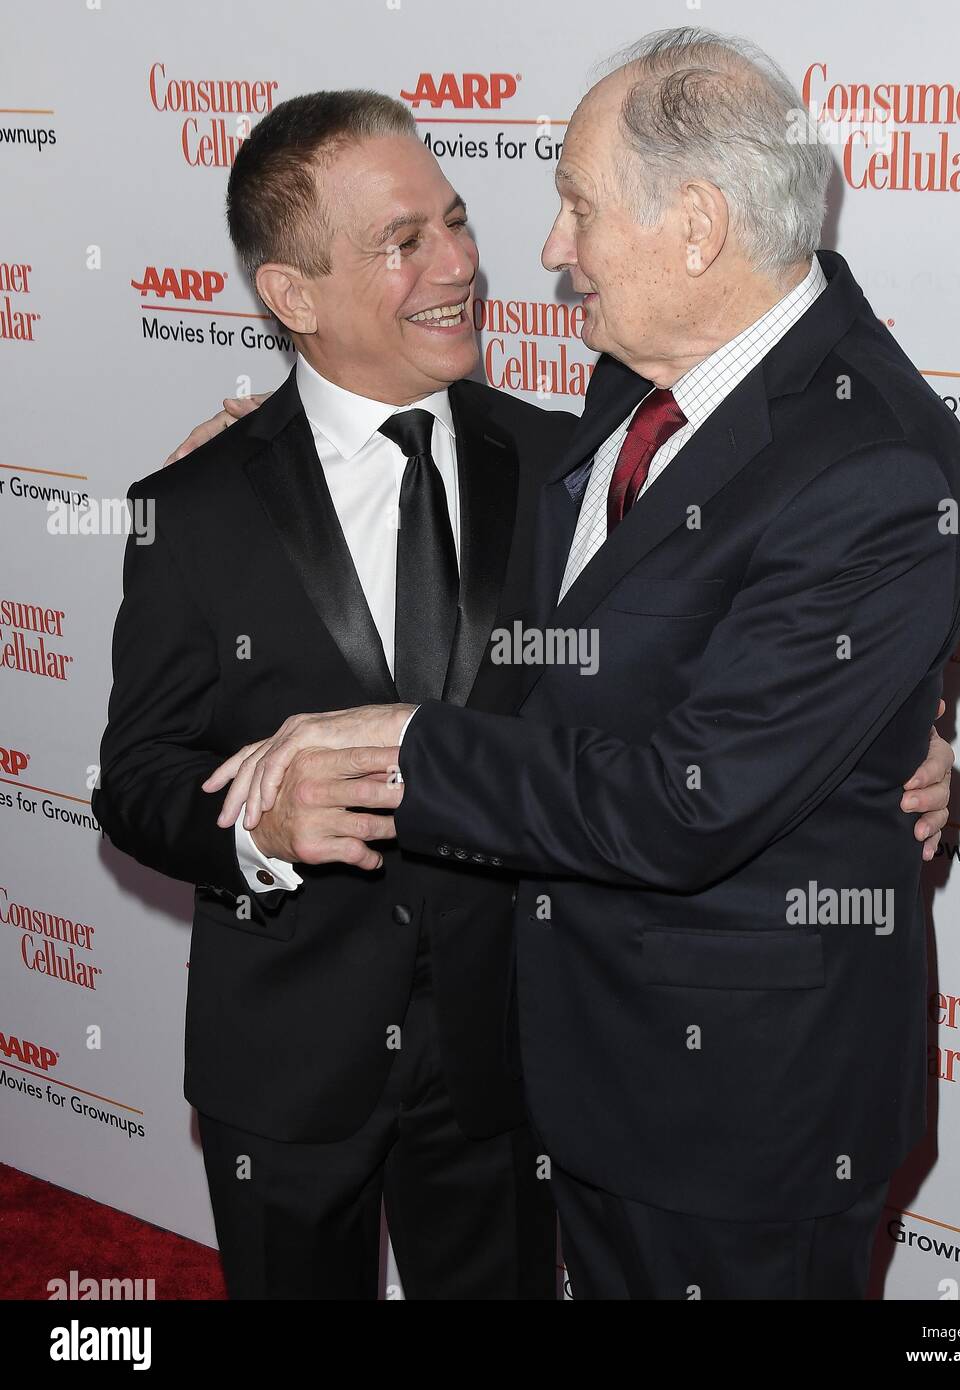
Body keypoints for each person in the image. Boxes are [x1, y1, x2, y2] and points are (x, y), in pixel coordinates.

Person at [203, 29, 960, 1300]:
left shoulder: (871, 464)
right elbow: (587, 570)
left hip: (744, 1119)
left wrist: (399, 743)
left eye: (574, 205)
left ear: (695, 226)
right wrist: (283, 454)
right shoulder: (654, 376)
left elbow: (688, 800)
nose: (548, 249)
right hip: (597, 1067)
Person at [94, 89, 573, 1300]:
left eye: (456, 221)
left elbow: (694, 651)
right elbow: (136, 779)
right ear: (291, 296)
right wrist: (250, 827)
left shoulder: (562, 465)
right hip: (286, 1060)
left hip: (503, 1050)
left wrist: (902, 739)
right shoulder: (193, 510)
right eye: (401, 241)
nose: (459, 263)